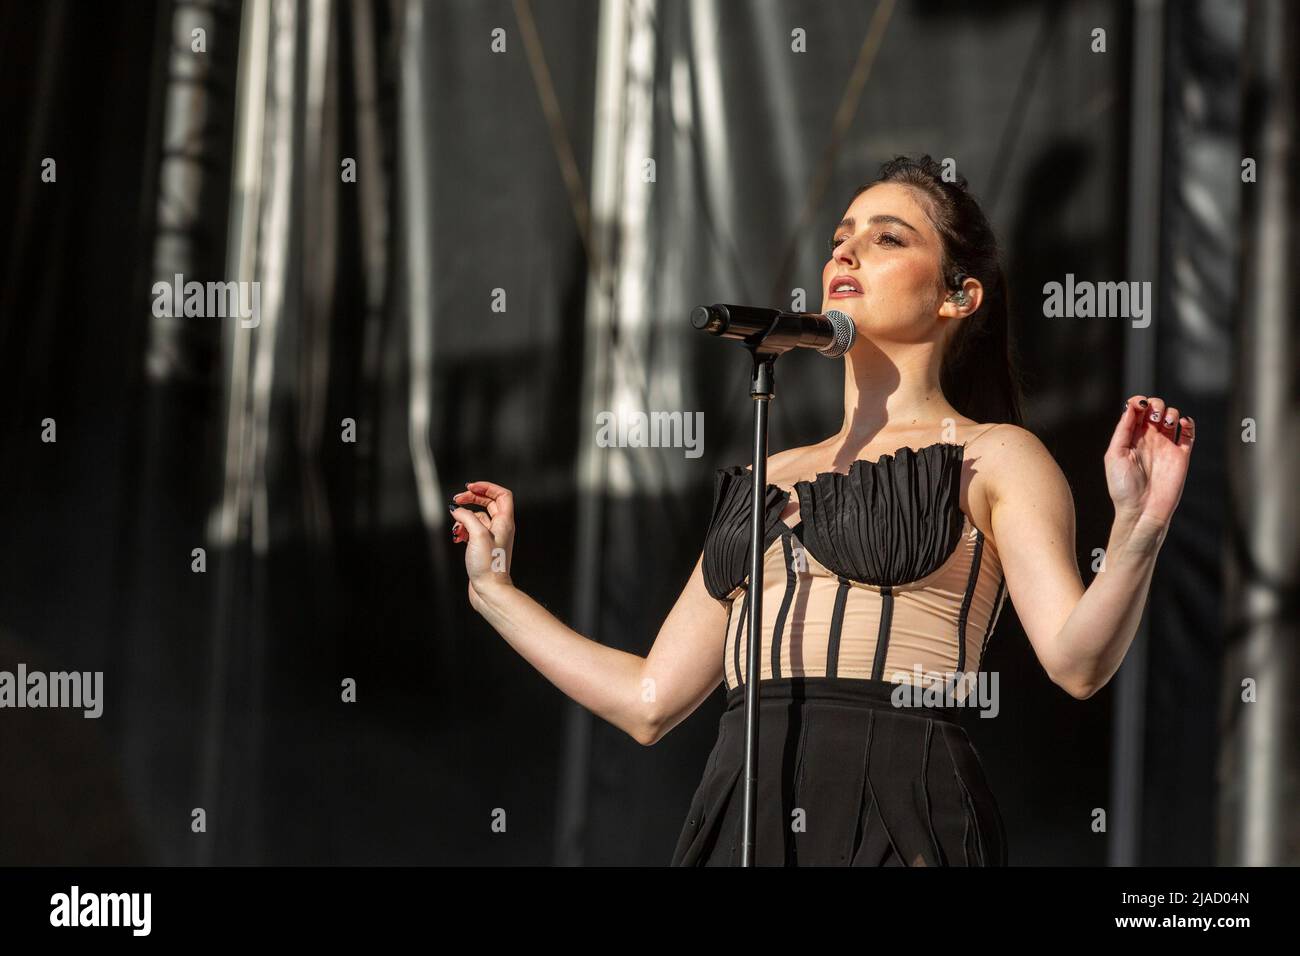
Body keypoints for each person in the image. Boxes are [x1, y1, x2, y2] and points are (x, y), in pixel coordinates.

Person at [448, 155, 1195, 866]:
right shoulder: (767, 471)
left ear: (957, 295)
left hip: (902, 807)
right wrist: (495, 592)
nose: (846, 254)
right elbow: (650, 701)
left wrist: (1140, 528)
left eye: (886, 239)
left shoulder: (994, 454)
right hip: (741, 807)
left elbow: (1077, 664)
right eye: (841, 240)